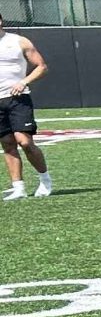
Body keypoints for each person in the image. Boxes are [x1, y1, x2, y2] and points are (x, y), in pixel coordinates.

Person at [0, 15, 52, 199]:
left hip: (18, 98)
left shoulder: (18, 42)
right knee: (7, 143)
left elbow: (41, 67)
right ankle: (18, 188)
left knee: (25, 141)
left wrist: (24, 81)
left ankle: (45, 180)